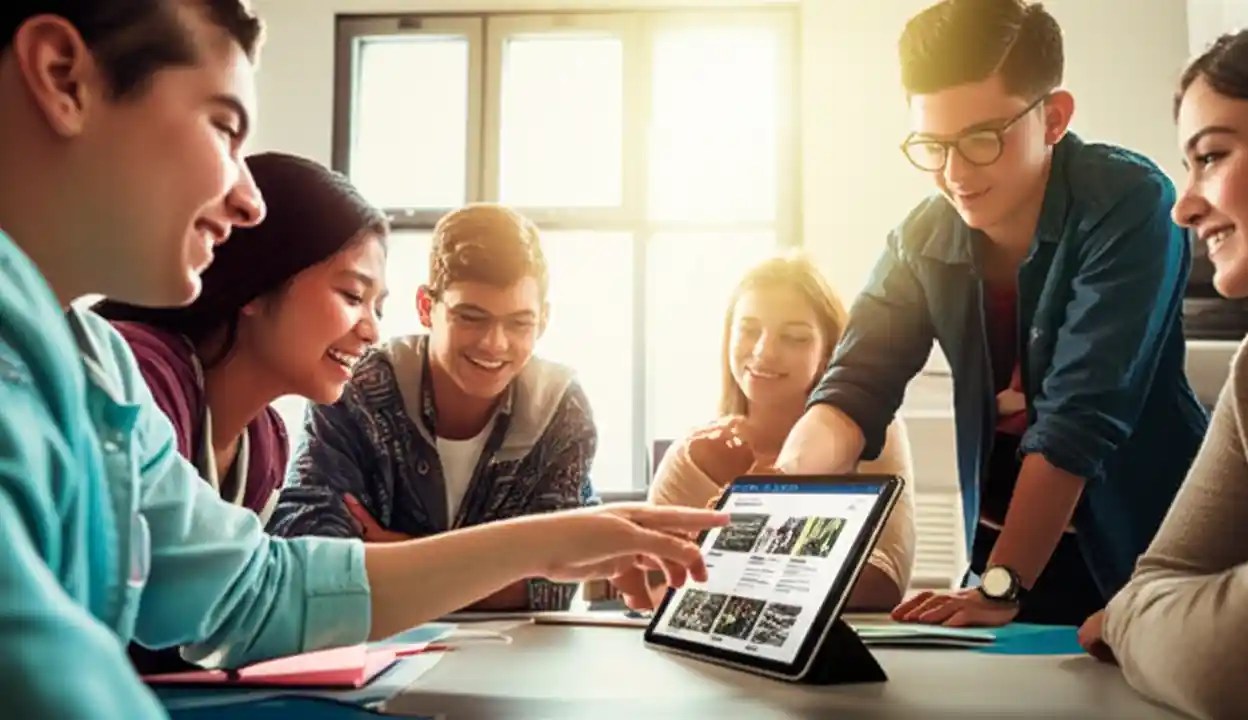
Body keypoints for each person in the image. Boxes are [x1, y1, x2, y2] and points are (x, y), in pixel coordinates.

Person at [0, 3, 725, 717]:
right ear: (63, 78)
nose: (249, 200)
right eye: (223, 125)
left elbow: (254, 592)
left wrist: (554, 541)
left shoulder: (100, 369)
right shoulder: (141, 371)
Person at [761, 0, 1209, 628]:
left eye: (981, 140)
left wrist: (1001, 586)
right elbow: (855, 385)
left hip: (1153, 556)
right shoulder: (920, 239)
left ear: (1052, 118)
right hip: (1009, 560)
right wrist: (786, 481)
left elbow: (1081, 415)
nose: (954, 173)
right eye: (932, 145)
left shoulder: (1132, 203)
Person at [92, 151, 388, 673]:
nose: (371, 330)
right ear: (258, 281)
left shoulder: (266, 441)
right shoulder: (139, 374)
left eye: (376, 307)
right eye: (352, 295)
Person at [1077, 18, 1248, 719]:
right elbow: (1161, 574)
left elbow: (1240, 663)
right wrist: (1150, 604)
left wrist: (1130, 620)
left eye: (1212, 157)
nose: (1184, 205)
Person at [268, 203, 598, 612]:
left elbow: (555, 583)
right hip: (371, 649)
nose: (495, 344)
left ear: (543, 321)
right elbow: (312, 550)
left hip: (517, 656)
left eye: (519, 323)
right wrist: (498, 568)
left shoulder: (562, 408)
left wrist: (407, 553)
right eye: (471, 317)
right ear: (427, 307)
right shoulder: (359, 387)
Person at [645, 253, 917, 611]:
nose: (764, 352)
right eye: (749, 330)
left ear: (828, 354)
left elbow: (881, 585)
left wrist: (744, 526)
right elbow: (654, 589)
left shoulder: (872, 431)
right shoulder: (691, 456)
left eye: (794, 338)